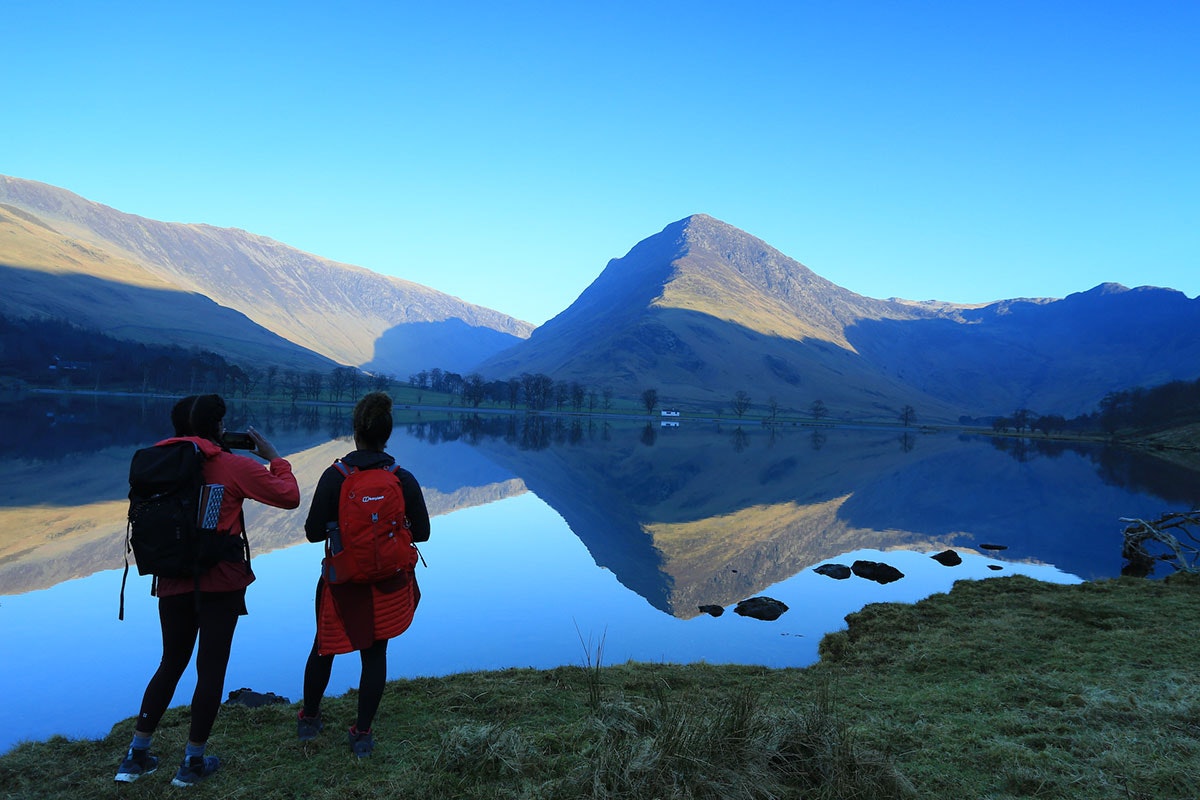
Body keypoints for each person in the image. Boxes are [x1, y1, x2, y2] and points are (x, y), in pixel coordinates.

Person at [114, 394, 300, 787]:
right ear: (216, 428)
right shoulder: (230, 465)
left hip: (170, 578)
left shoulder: (157, 462)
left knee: (171, 662)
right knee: (210, 668)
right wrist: (275, 457)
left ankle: (135, 757)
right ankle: (191, 764)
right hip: (219, 581)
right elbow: (288, 496)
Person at [297, 391, 430, 757]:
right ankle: (363, 735)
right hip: (387, 581)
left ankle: (309, 719)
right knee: (375, 655)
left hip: (342, 582)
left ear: (355, 431)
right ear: (387, 435)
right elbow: (422, 533)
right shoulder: (402, 479)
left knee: (323, 647)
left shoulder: (334, 476)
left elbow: (311, 534)